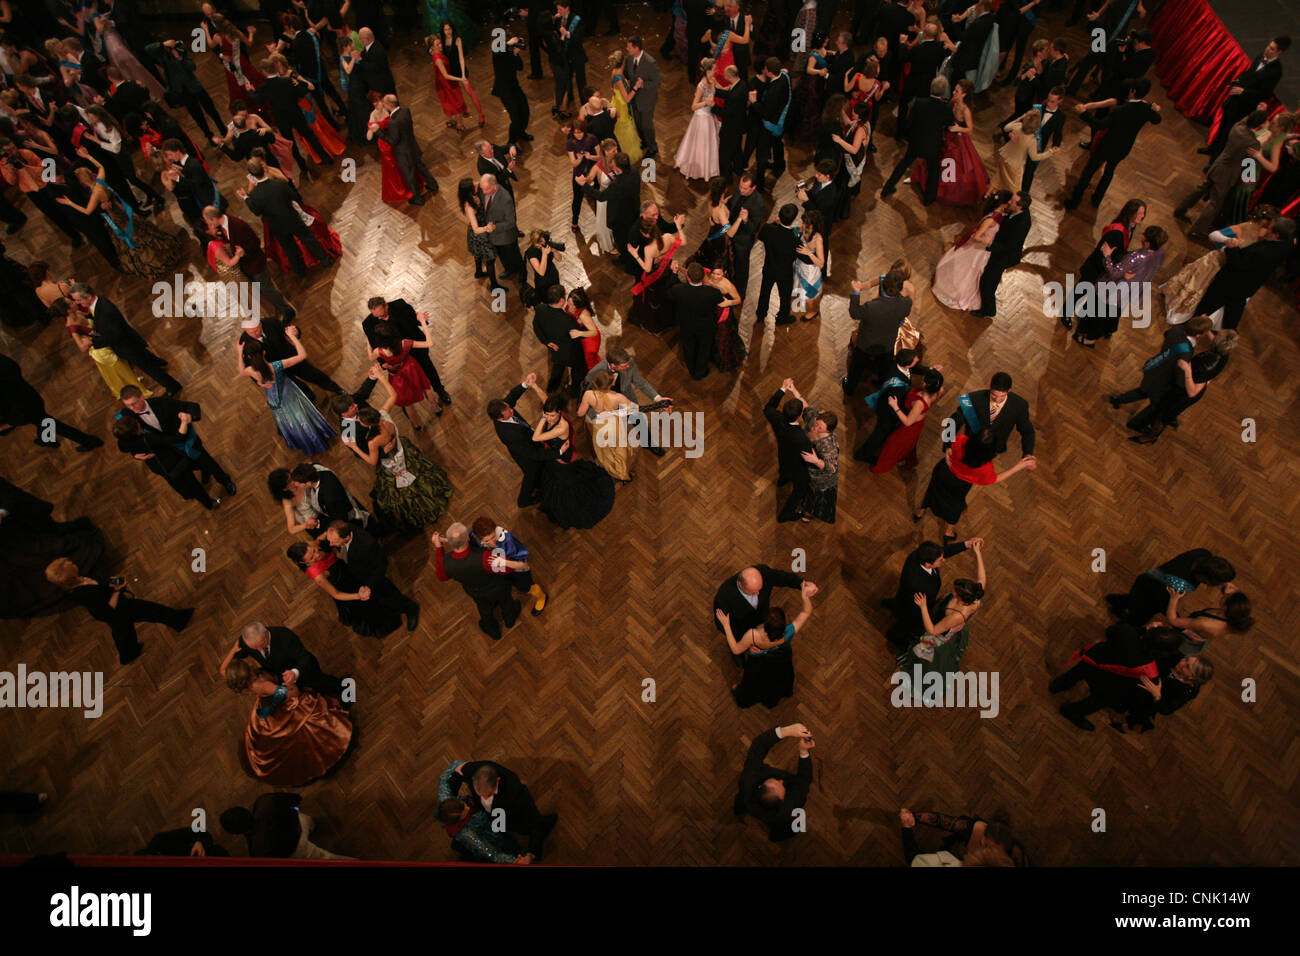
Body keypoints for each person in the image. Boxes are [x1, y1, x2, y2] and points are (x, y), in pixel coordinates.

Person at [342, 380, 454, 535]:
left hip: (392, 462)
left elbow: (372, 461)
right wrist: (381, 378)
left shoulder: (373, 441)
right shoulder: (384, 415)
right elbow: (393, 395)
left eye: (360, 421)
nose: (358, 421)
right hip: (403, 450)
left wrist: (353, 446)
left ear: (368, 425)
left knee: (404, 488)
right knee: (417, 470)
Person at [222, 656, 353, 785]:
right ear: (248, 673)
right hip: (282, 705)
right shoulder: (264, 685)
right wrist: (292, 686)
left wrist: (234, 649)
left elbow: (223, 670)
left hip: (270, 705)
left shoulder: (251, 682)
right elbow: (290, 694)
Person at [44, 557, 191, 666]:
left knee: (123, 631)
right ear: (69, 575)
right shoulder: (82, 594)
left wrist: (115, 582)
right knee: (151, 610)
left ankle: (129, 654)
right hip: (115, 610)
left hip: (112, 609)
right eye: (71, 564)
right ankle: (179, 620)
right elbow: (108, 607)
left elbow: (102, 584)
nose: (73, 563)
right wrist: (118, 590)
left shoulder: (78, 579)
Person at [895, 543, 986, 699]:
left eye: (954, 590)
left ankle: (916, 680)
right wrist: (977, 552)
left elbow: (932, 630)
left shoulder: (957, 615)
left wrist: (923, 607)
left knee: (922, 656)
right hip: (944, 622)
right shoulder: (976, 595)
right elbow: (982, 576)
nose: (952, 589)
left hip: (938, 634)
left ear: (960, 598)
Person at [115, 385, 235, 499]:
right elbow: (124, 440)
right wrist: (135, 455)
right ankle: (204, 473)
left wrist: (189, 416)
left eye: (134, 403)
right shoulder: (127, 414)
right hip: (169, 453)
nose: (132, 408)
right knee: (190, 468)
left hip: (185, 443)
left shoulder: (162, 402)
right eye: (128, 405)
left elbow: (192, 407)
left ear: (141, 396)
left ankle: (225, 481)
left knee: (207, 462)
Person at [914, 430, 1037, 539]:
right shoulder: (985, 468)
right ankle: (948, 532)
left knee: (933, 490)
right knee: (954, 506)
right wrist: (1018, 467)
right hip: (959, 485)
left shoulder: (961, 440)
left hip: (943, 471)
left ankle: (920, 512)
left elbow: (950, 447)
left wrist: (948, 455)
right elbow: (994, 479)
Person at [67, 284, 182, 396]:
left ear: (88, 297)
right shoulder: (98, 304)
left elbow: (115, 335)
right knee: (146, 358)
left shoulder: (105, 310)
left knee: (149, 369)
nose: (77, 303)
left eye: (78, 300)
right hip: (129, 341)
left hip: (127, 345)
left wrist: (93, 342)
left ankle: (173, 386)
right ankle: (160, 362)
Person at [1063, 79, 1161, 210]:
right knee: (1109, 172)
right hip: (1123, 148)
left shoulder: (1121, 110)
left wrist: (1083, 113)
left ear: (1133, 91)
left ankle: (1075, 201)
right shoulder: (1147, 109)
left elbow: (1099, 125)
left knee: (1089, 170)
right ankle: (1097, 199)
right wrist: (1155, 110)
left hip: (1106, 145)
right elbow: (1157, 120)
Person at [717, 581, 816, 708]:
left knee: (752, 682)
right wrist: (805, 597)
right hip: (779, 659)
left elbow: (736, 649)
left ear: (766, 624)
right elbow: (806, 612)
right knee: (775, 680)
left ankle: (743, 695)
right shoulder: (788, 632)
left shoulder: (753, 635)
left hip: (758, 662)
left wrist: (726, 625)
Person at [238, 329, 337, 454]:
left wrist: (239, 352)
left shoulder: (252, 371)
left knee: (287, 419)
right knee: (300, 416)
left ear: (249, 357)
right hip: (288, 394)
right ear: (264, 352)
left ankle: (299, 440)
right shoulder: (276, 366)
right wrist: (292, 337)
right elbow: (302, 355)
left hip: (273, 398)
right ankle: (315, 438)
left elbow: (241, 371)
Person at [1129, 331, 1238, 444]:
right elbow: (1215, 340)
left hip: (1185, 394)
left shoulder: (1207, 365)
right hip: (1181, 388)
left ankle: (1152, 436)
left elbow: (1192, 392)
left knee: (1163, 417)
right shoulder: (1224, 354)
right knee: (1163, 408)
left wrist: (1187, 370)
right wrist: (1206, 329)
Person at [530, 390, 617, 528]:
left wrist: (542, 418)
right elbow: (546, 399)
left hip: (562, 461)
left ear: (559, 412)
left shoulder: (562, 426)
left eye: (551, 415)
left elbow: (535, 438)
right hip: (555, 456)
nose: (549, 418)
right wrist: (533, 385)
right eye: (546, 414)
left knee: (565, 485)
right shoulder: (554, 414)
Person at [1107, 318, 1216, 427]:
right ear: (1198, 335)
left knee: (1144, 391)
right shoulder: (1185, 352)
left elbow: (1166, 334)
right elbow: (1179, 374)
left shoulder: (1177, 329)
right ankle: (1137, 422)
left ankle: (1118, 400)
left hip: (1156, 365)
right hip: (1163, 378)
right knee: (1156, 403)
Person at [440, 759, 559, 859]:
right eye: (479, 793)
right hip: (492, 818)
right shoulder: (471, 770)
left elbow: (535, 821)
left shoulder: (518, 795)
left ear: (497, 781)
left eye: (488, 794)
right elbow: (456, 774)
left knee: (529, 827)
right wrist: (452, 799)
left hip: (512, 817)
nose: (484, 798)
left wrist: (530, 854)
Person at [1075, 225, 1169, 348]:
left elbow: (1114, 273)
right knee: (1114, 313)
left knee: (1098, 314)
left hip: (1114, 290)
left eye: (1144, 235)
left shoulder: (1136, 256)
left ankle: (1090, 339)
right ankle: (1109, 330)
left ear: (1147, 242)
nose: (1141, 235)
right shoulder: (1160, 253)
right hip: (1132, 289)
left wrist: (1107, 256)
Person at [286, 537, 401, 637]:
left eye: (315, 551)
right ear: (302, 562)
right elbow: (336, 594)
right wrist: (358, 596)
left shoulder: (312, 544)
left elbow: (324, 537)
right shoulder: (319, 577)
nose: (317, 555)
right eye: (312, 558)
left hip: (348, 572)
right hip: (346, 589)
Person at [433, 521, 529, 639]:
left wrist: (439, 548)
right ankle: (510, 620)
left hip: (475, 591)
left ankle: (493, 630)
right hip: (497, 587)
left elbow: (441, 577)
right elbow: (507, 570)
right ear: (468, 538)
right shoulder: (485, 556)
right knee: (506, 602)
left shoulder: (445, 562)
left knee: (484, 609)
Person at [320, 520, 419, 631]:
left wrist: (368, 586)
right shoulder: (342, 529)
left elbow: (381, 566)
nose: (331, 545)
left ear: (347, 538)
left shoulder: (366, 544)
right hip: (359, 573)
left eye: (334, 542)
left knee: (390, 596)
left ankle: (411, 609)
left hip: (372, 578)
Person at [1204, 36, 1290, 160]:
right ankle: (1212, 148)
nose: (1267, 49)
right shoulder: (1261, 56)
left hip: (1244, 106)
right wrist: (1237, 81)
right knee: (1223, 126)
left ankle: (1216, 159)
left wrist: (1244, 92)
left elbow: (1265, 93)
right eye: (1268, 46)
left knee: (1229, 133)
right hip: (1234, 99)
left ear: (1279, 52)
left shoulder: (1276, 71)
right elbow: (1248, 73)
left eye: (1271, 49)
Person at [1107, 548, 1237, 627]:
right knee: (1136, 619)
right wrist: (1180, 621)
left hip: (1147, 579)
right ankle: (1120, 625)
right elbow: (1164, 604)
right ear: (1207, 578)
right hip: (1152, 596)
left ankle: (1115, 600)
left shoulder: (1203, 554)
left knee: (1132, 599)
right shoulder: (1180, 584)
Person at [582, 345, 672, 458]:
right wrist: (596, 416)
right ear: (613, 365)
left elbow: (641, 383)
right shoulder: (594, 373)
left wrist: (658, 399)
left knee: (639, 419)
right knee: (618, 433)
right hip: (607, 409)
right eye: (625, 366)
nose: (629, 366)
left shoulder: (629, 363)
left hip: (627, 401)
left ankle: (648, 444)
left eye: (628, 363)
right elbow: (586, 394)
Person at [489, 373, 563, 507]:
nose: (512, 411)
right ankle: (524, 500)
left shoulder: (504, 408)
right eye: (509, 413)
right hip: (527, 456)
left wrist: (526, 384)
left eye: (510, 408)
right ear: (499, 419)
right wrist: (558, 453)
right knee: (531, 475)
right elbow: (533, 453)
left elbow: (512, 396)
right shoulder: (510, 435)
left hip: (530, 442)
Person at [734, 723, 814, 842]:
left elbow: (759, 745)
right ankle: (776, 837)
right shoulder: (791, 806)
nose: (781, 780)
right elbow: (804, 779)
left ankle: (739, 808)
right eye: (781, 785)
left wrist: (786, 731)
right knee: (788, 829)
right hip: (779, 822)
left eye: (775, 781)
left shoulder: (748, 778)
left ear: (760, 786)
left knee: (742, 800)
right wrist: (803, 751)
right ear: (783, 799)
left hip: (747, 800)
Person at [881, 75, 953, 204]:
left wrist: (909, 136)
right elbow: (949, 124)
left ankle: (887, 188)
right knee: (933, 171)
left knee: (903, 164)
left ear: (931, 88)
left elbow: (910, 121)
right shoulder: (946, 108)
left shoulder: (919, 102)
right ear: (944, 92)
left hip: (916, 141)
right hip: (933, 144)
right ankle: (929, 199)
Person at [226, 622, 344, 699]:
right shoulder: (246, 642)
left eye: (261, 645)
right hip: (283, 679)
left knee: (323, 684)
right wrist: (232, 651)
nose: (259, 650)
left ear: (266, 632)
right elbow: (232, 664)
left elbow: (304, 658)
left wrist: (294, 673)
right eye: (254, 648)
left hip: (303, 670)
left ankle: (344, 691)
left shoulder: (285, 636)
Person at [219, 792, 352, 860]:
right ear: (245, 810)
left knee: (326, 858)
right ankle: (313, 825)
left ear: (236, 834)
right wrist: (293, 810)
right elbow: (295, 798)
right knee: (306, 820)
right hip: (300, 821)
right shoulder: (264, 801)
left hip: (299, 848)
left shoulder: (257, 850)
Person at [932, 192, 1007, 311]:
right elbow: (977, 237)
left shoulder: (997, 215)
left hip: (981, 250)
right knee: (967, 272)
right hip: (978, 250)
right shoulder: (991, 220)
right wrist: (988, 242)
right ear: (1003, 204)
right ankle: (956, 292)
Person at [842, 270, 913, 394]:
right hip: (888, 343)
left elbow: (854, 313)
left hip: (865, 344)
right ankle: (881, 384)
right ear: (900, 288)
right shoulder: (906, 303)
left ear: (883, 286)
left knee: (856, 368)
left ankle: (849, 388)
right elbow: (905, 314)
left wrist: (856, 292)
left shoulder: (871, 307)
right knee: (885, 368)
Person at [470, 517, 548, 617]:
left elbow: (522, 564)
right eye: (487, 541)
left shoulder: (507, 540)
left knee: (525, 586)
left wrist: (504, 562)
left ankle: (542, 597)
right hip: (500, 569)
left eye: (493, 537)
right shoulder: (474, 536)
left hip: (517, 569)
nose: (492, 542)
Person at [873, 369, 945, 474]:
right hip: (917, 421)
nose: (922, 378)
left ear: (926, 384)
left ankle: (880, 468)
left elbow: (908, 422)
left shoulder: (919, 403)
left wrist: (895, 406)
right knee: (906, 446)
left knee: (892, 447)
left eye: (924, 378)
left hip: (909, 427)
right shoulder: (939, 390)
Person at [973, 191, 1032, 318]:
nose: (1009, 202)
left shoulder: (1022, 223)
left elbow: (1009, 245)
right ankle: (988, 307)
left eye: (1012, 201)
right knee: (991, 280)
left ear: (1020, 206)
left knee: (987, 282)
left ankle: (988, 310)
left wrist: (989, 244)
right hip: (1002, 251)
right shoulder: (1019, 213)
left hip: (1004, 256)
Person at [765, 378, 815, 522]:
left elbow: (768, 407)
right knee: (799, 491)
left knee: (784, 469)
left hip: (783, 453)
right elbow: (807, 456)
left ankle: (783, 479)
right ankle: (786, 514)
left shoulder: (776, 417)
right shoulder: (801, 437)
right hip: (797, 465)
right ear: (800, 416)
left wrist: (783, 388)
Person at [669, 261, 727, 379]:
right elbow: (721, 303)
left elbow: (670, 293)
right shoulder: (713, 293)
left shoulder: (678, 289)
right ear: (703, 277)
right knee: (704, 349)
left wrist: (674, 274)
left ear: (688, 277)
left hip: (686, 325)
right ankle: (700, 372)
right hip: (706, 326)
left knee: (688, 347)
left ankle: (691, 368)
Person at [377, 92, 437, 202]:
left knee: (409, 176)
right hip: (413, 147)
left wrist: (379, 132)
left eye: (384, 103)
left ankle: (418, 198)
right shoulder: (405, 111)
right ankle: (433, 185)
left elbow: (393, 141)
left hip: (404, 153)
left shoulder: (393, 122)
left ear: (388, 105)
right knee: (421, 167)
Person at [674, 58, 720, 180]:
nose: (716, 71)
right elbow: (693, 106)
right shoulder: (701, 85)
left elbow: (721, 91)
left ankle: (708, 168)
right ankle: (698, 169)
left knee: (709, 143)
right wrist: (706, 102)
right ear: (709, 70)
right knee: (701, 145)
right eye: (715, 69)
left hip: (710, 116)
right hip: (702, 117)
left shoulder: (713, 80)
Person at [755, 203, 800, 326]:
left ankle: (760, 315)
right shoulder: (794, 239)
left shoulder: (769, 228)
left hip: (769, 267)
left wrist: (775, 223)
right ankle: (782, 318)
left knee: (765, 292)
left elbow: (761, 236)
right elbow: (796, 256)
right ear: (794, 219)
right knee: (785, 297)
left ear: (779, 216)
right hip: (784, 272)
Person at [795, 409, 839, 522]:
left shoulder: (829, 446)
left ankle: (809, 513)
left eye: (820, 428)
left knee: (814, 496)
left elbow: (831, 469)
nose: (815, 428)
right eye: (816, 424)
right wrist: (794, 391)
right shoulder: (814, 420)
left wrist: (815, 460)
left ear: (828, 430)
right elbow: (806, 409)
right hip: (809, 469)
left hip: (821, 477)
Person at [480, 173, 525, 282]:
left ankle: (522, 272)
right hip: (493, 236)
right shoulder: (483, 190)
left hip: (506, 236)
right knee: (502, 256)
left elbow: (511, 222)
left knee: (514, 256)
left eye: (486, 189)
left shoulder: (505, 198)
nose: (483, 192)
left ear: (495, 186)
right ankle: (509, 269)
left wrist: (495, 227)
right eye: (482, 189)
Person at [623, 37, 661, 158]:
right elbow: (627, 75)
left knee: (646, 125)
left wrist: (642, 84)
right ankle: (644, 142)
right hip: (634, 98)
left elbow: (657, 82)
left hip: (646, 99)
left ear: (636, 48)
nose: (626, 49)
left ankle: (652, 147)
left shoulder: (650, 62)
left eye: (629, 47)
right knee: (638, 124)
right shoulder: (629, 59)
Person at [491, 34, 530, 144]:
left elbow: (520, 67)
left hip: (514, 87)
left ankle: (521, 133)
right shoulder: (498, 55)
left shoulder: (511, 54)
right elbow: (496, 53)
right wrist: (509, 43)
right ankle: (511, 143)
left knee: (525, 111)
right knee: (515, 118)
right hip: (504, 91)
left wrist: (516, 54)